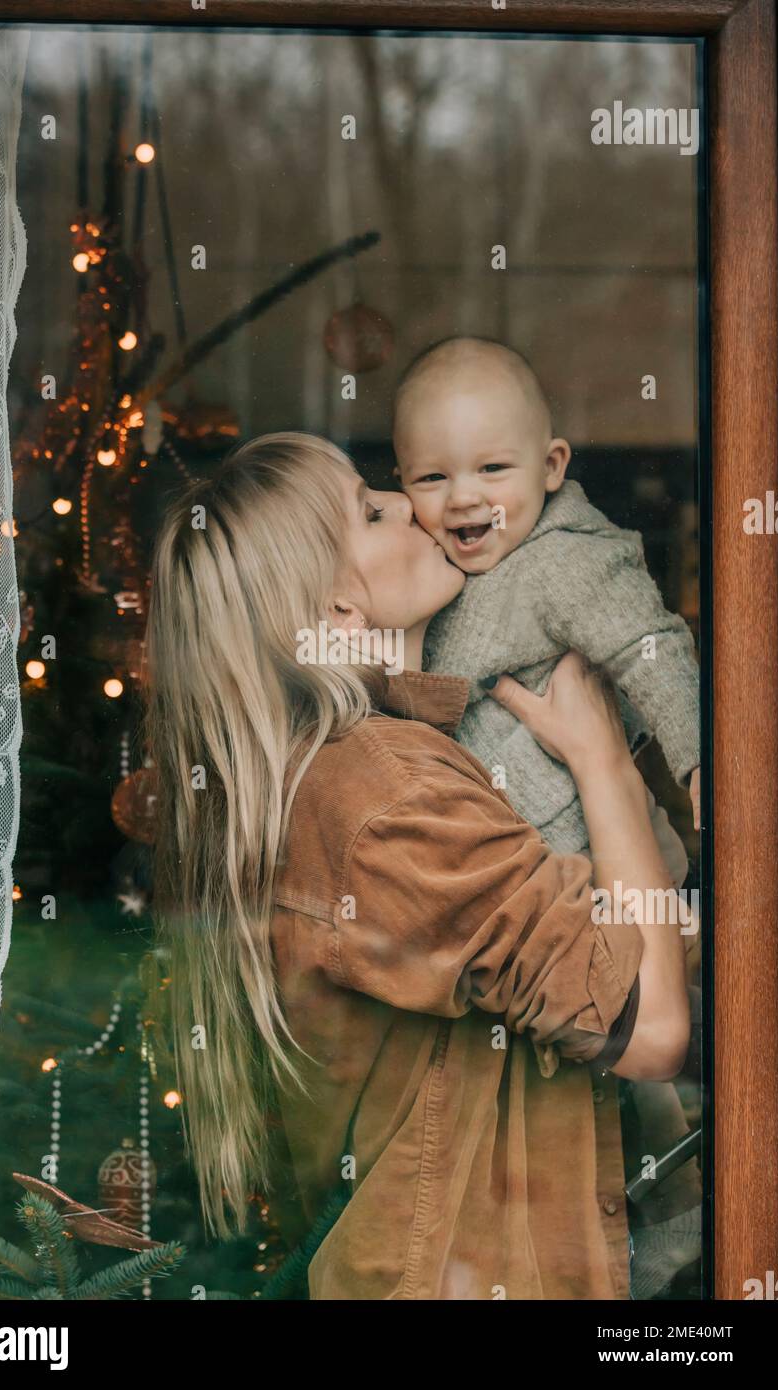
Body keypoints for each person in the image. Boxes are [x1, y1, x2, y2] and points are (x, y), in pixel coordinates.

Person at [143, 431, 690, 1300]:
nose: (405, 503)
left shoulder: (356, 775)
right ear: (340, 614)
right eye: (369, 511)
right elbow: (651, 1028)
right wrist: (604, 764)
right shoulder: (387, 801)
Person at [393, 336, 701, 856]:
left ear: (552, 466)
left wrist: (698, 757)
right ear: (402, 487)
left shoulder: (565, 558)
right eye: (432, 477)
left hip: (598, 854)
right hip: (518, 862)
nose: (464, 496)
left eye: (492, 468)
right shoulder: (427, 575)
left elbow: (652, 646)